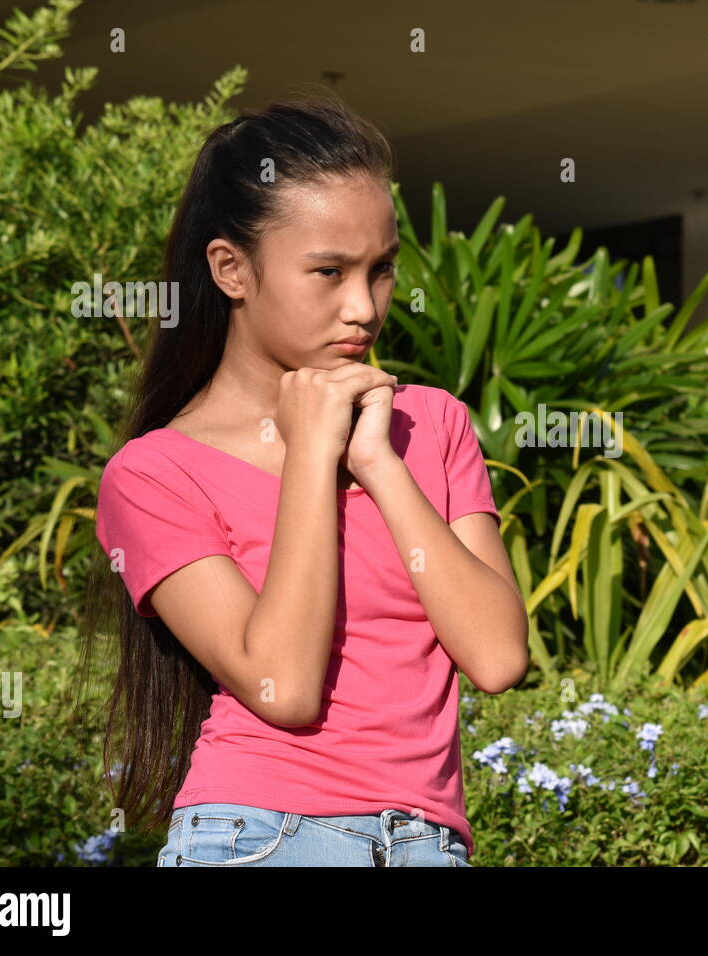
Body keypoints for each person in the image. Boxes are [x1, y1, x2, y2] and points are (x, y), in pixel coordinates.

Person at [78, 95, 529, 867]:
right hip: (262, 837)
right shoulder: (154, 474)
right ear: (231, 269)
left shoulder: (431, 425)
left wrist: (379, 464)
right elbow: (283, 687)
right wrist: (311, 458)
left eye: (381, 270)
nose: (363, 308)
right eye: (329, 271)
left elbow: (496, 657)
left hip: (428, 844)